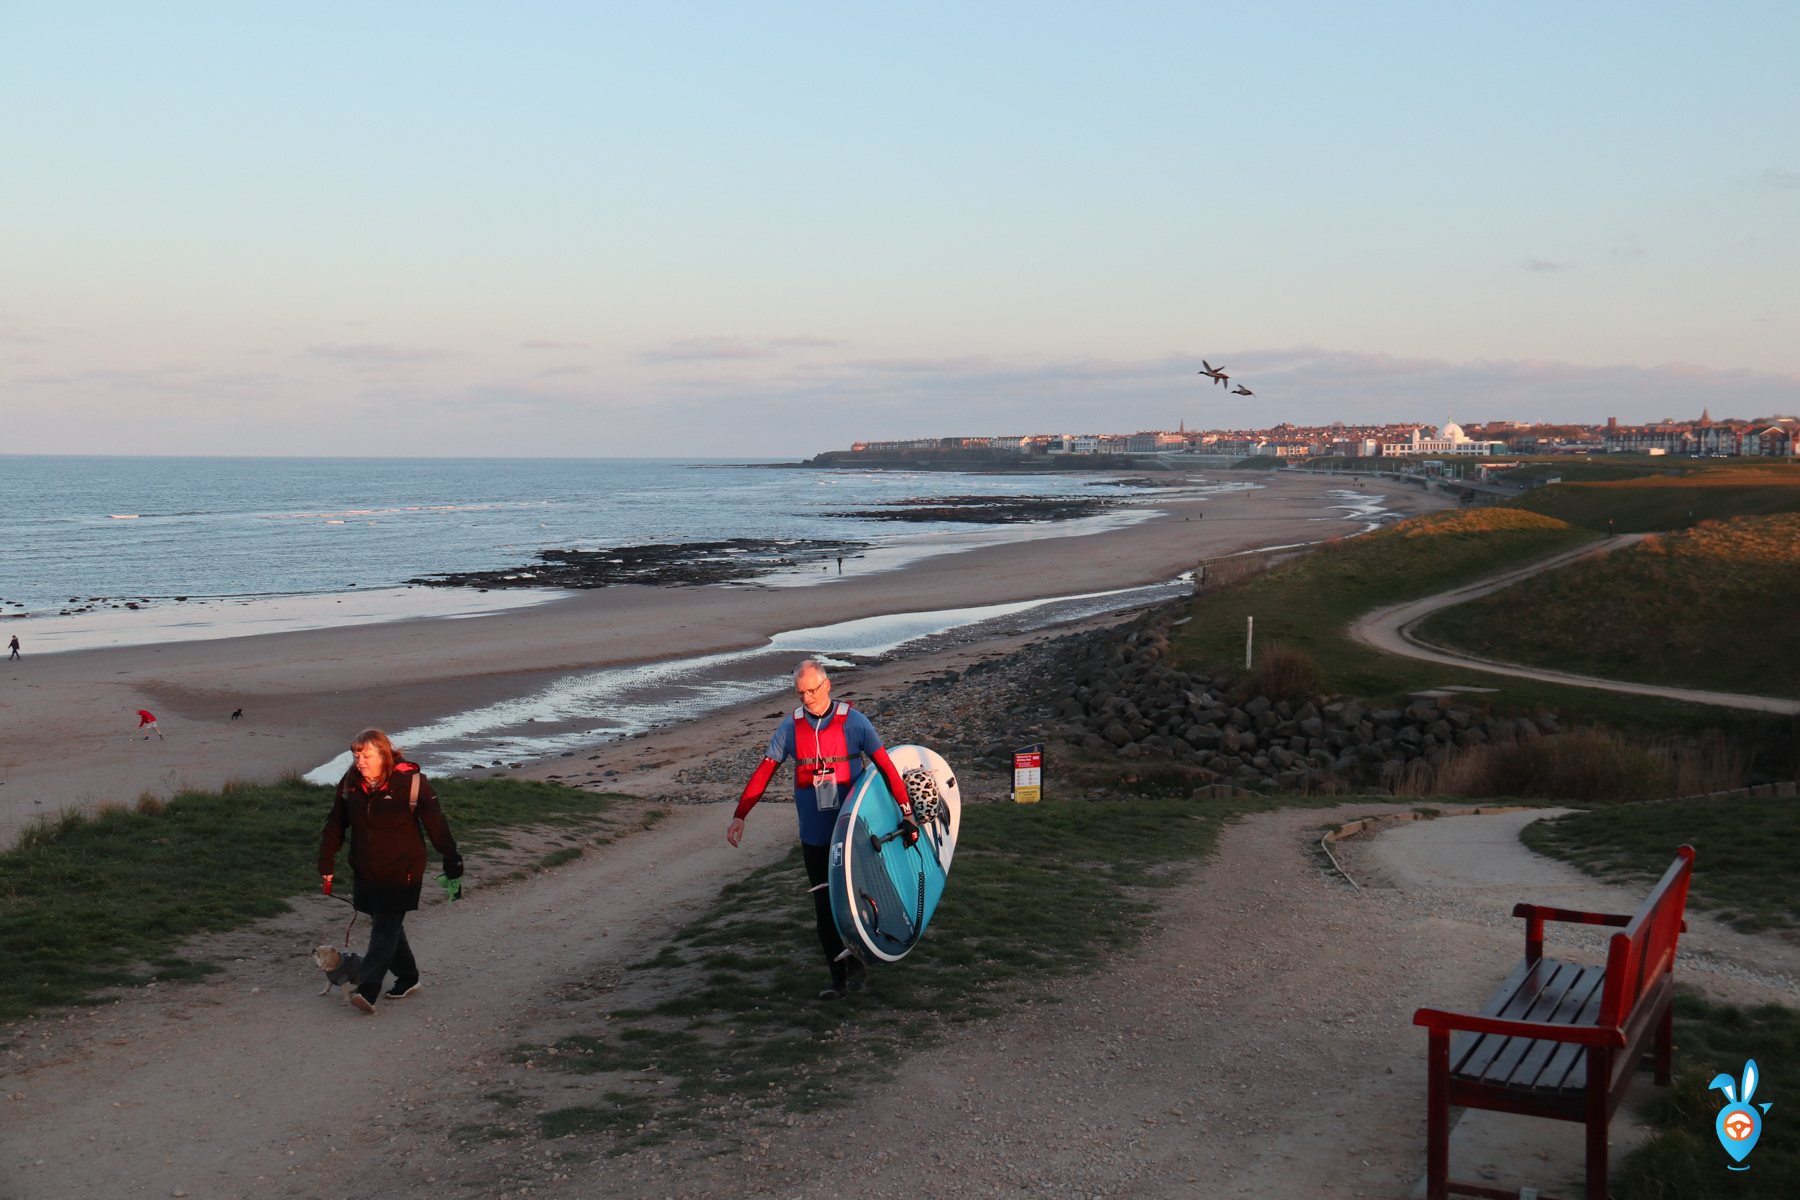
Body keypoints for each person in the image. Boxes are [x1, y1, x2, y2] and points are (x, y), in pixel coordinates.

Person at [728, 659, 916, 1000]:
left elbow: (886, 768)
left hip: (852, 830)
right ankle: (837, 980)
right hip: (814, 835)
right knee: (825, 908)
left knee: (860, 897)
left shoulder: (854, 722)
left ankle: (861, 960)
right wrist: (741, 814)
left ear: (827, 685)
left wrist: (908, 813)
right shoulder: (790, 727)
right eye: (800, 692)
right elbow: (764, 772)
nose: (806, 698)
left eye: (811, 690)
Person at [317, 728, 463, 1014]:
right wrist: (326, 862)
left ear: (384, 754)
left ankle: (368, 990)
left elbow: (437, 826)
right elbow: (335, 824)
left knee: (384, 927)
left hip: (403, 869)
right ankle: (408, 977)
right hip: (366, 868)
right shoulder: (350, 783)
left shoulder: (412, 783)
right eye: (356, 755)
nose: (360, 761)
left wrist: (452, 860)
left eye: (366, 755)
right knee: (388, 925)